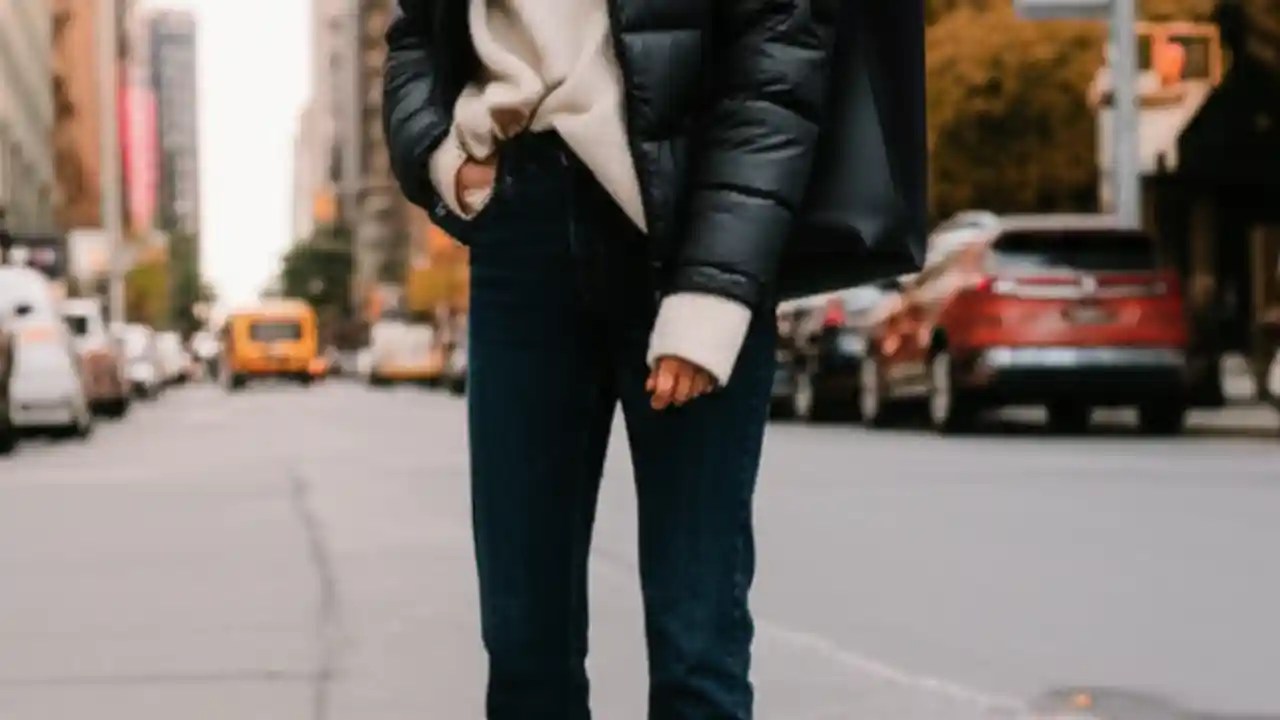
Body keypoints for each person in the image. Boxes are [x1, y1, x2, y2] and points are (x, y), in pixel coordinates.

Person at [384, 2, 838, 717]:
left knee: (698, 648)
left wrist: (714, 288)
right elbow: (413, 33)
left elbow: (777, 55)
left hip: (686, 221)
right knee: (524, 648)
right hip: (519, 220)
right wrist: (444, 161)